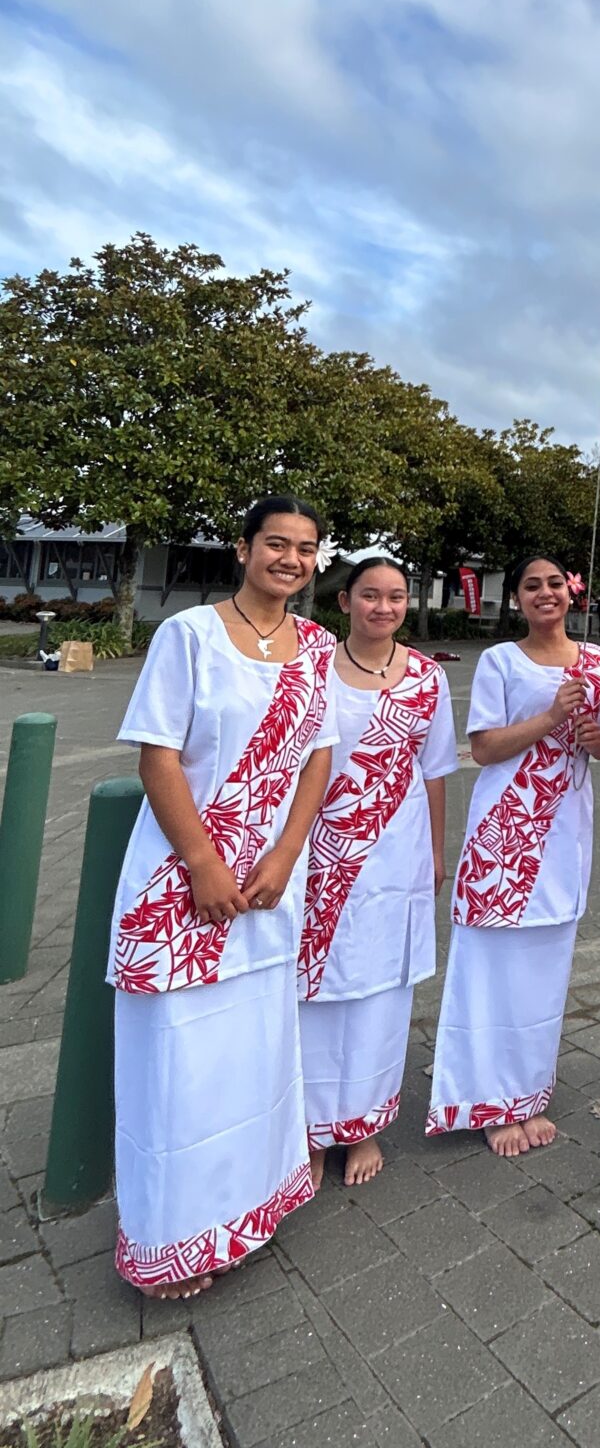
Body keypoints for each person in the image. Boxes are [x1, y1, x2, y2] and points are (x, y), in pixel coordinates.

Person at [109, 495, 337, 1298]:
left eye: (305, 548)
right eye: (276, 543)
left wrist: (287, 852)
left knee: (251, 1054)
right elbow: (158, 756)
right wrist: (203, 863)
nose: (291, 559)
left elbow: (318, 756)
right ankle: (170, 1238)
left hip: (270, 884)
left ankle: (244, 1212)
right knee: (178, 1061)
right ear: (242, 550)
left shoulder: (317, 646)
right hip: (183, 883)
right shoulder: (189, 634)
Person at [428, 554, 600, 1156]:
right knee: (491, 967)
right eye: (532, 586)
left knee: (545, 968)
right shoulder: (500, 661)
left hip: (564, 835)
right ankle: (486, 1101)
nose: (546, 593)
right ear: (517, 597)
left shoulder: (598, 662)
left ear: (571, 592)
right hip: (504, 836)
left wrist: (596, 738)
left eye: (555, 584)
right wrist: (551, 717)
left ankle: (527, 1094)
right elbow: (485, 748)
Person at [298, 557, 457, 1189]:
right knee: (315, 991)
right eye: (370, 595)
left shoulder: (427, 678)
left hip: (398, 851)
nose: (383, 607)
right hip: (321, 850)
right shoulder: (311, 668)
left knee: (383, 993)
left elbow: (435, 770)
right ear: (346, 602)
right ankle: (310, 1130)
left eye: (395, 597)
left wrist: (436, 852)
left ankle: (362, 1125)